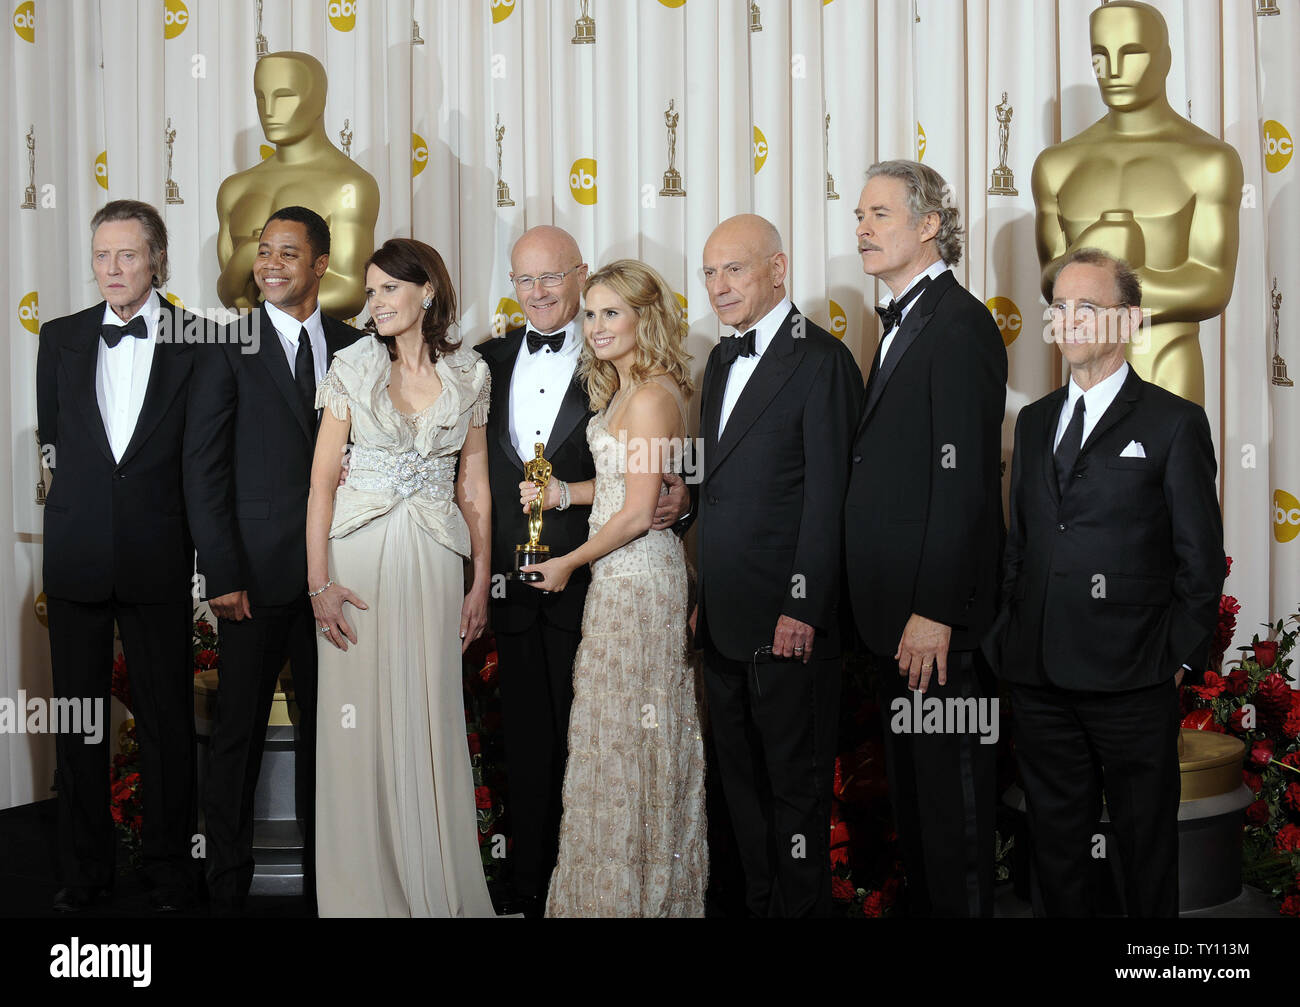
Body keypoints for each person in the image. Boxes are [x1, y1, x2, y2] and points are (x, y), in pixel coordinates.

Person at [983, 248, 1225, 917]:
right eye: (1058, 308)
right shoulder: (1031, 424)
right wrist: (1010, 634)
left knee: (1144, 850)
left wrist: (1173, 659)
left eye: (1086, 306)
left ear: (1128, 321)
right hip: (1039, 678)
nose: (1068, 320)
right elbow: (1023, 545)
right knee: (1057, 851)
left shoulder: (1173, 423)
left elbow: (1200, 559)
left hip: (1133, 681)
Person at [473, 226, 687, 916]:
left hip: (598, 583)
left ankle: (618, 882)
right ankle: (537, 881)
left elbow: (654, 478)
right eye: (522, 280)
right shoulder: (489, 359)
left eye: (551, 278)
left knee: (603, 741)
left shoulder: (625, 373)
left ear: (580, 274)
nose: (537, 293)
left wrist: (680, 494)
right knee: (531, 742)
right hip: (513, 581)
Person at [305, 237, 494, 917]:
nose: (376, 302)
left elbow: (474, 483)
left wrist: (480, 580)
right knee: (356, 730)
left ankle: (433, 883)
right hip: (356, 562)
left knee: (432, 712)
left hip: (436, 559)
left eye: (389, 289)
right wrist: (318, 583)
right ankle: (361, 893)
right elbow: (322, 482)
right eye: (371, 290)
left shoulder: (470, 373)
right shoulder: (352, 366)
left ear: (428, 293)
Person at [187, 206, 363, 915]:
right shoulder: (225, 349)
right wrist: (221, 573)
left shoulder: (359, 347)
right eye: (264, 251)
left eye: (289, 252)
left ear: (321, 263)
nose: (271, 263)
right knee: (237, 740)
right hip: (252, 584)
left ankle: (334, 888)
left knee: (334, 743)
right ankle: (225, 888)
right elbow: (203, 470)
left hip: (337, 581)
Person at [518, 260, 707, 917]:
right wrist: (564, 491)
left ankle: (641, 897)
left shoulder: (654, 392)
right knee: (610, 740)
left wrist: (569, 560)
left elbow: (637, 510)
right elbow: (626, 485)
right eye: (590, 313)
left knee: (635, 746)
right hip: (618, 582)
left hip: (640, 581)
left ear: (643, 318)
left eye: (610, 313)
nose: (595, 326)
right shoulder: (622, 390)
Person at [844, 160, 1007, 918]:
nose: (863, 229)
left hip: (936, 628)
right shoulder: (906, 321)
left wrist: (936, 609)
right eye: (859, 216)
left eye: (880, 214)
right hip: (894, 623)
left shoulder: (961, 323)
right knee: (918, 808)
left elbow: (966, 483)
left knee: (955, 815)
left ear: (930, 223)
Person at [688, 214, 861, 917]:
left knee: (795, 794)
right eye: (709, 272)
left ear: (778, 268)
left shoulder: (821, 360)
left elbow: (830, 497)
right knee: (743, 792)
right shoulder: (721, 362)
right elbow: (721, 490)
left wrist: (804, 605)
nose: (719, 286)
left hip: (788, 623)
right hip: (724, 621)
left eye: (735, 269)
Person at [37, 200, 201, 912]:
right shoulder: (62, 336)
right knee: (79, 726)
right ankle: (86, 875)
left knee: (167, 724)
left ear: (157, 259)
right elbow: (58, 448)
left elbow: (205, 459)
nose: (112, 268)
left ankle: (170, 870)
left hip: (159, 555)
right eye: (102, 254)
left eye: (127, 255)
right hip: (77, 556)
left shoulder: (202, 340)